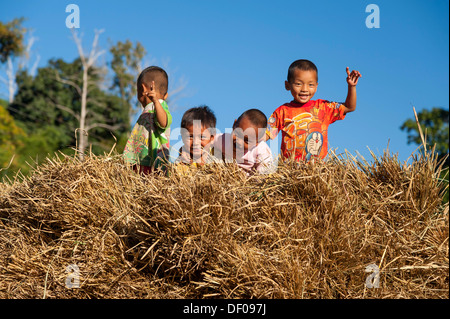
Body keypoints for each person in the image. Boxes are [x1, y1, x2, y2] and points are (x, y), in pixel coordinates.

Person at [265, 59, 362, 162]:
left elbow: (349, 107)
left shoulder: (323, 107)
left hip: (316, 169)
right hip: (291, 168)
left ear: (316, 87)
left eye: (310, 85)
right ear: (287, 85)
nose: (304, 89)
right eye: (298, 84)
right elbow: (265, 135)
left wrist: (352, 87)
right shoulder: (282, 112)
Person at [123, 66, 172, 174]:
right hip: (143, 161)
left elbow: (164, 123)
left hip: (153, 165)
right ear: (166, 95)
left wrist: (156, 101)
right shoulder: (148, 109)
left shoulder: (160, 105)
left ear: (143, 89)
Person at [213, 108, 274, 175]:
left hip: (247, 182)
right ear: (234, 125)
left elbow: (263, 175)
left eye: (246, 140)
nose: (239, 142)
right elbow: (206, 141)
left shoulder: (261, 150)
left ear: (257, 142)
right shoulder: (222, 139)